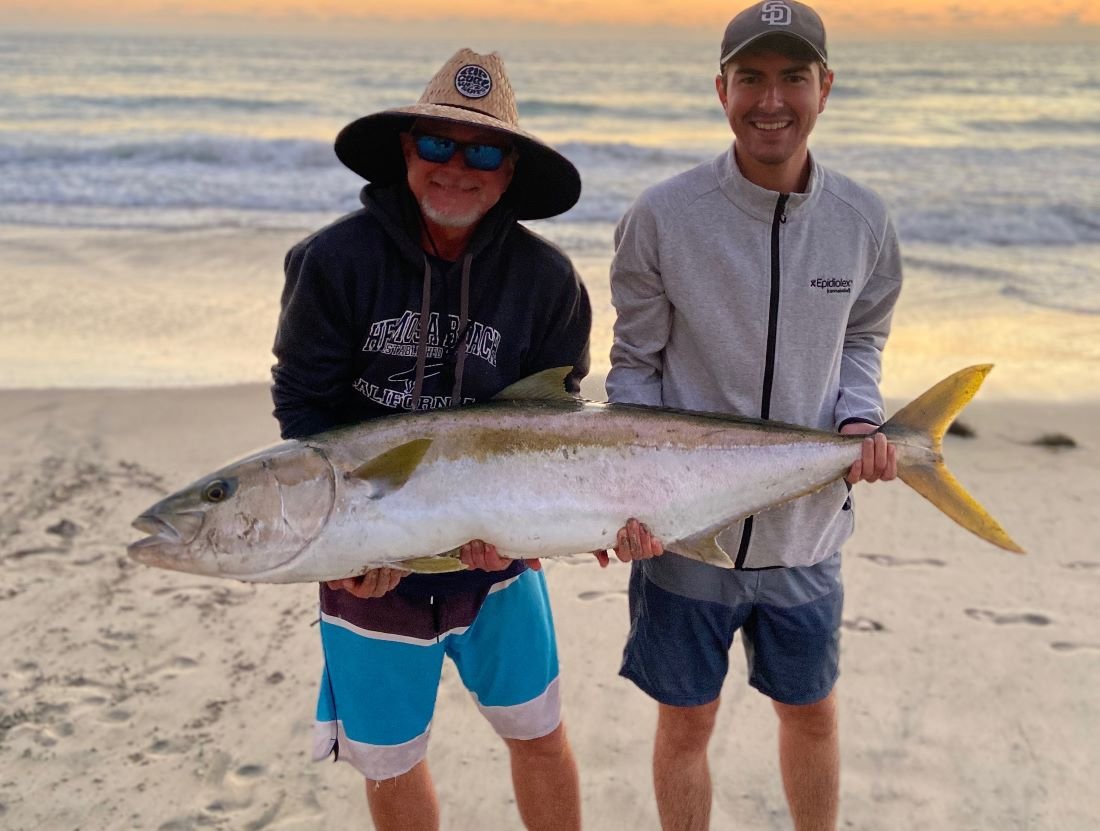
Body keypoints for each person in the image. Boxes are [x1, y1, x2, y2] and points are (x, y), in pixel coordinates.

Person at [270, 49, 590, 831]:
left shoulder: (550, 283)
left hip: (498, 561)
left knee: (537, 730)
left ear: (509, 170)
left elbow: (559, 424)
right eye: (438, 144)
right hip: (367, 553)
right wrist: (355, 543)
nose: (458, 167)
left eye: (482, 150)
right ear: (407, 150)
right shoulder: (332, 263)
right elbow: (305, 408)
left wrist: (525, 528)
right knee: (390, 758)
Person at [604, 2, 902, 829]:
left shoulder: (864, 221)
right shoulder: (662, 217)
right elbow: (635, 365)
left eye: (793, 77)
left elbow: (864, 337)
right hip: (682, 538)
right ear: (721, 89)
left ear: (826, 87)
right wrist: (634, 496)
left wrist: (858, 419)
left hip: (807, 532)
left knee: (811, 712)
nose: (772, 99)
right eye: (752, 78)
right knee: (687, 721)